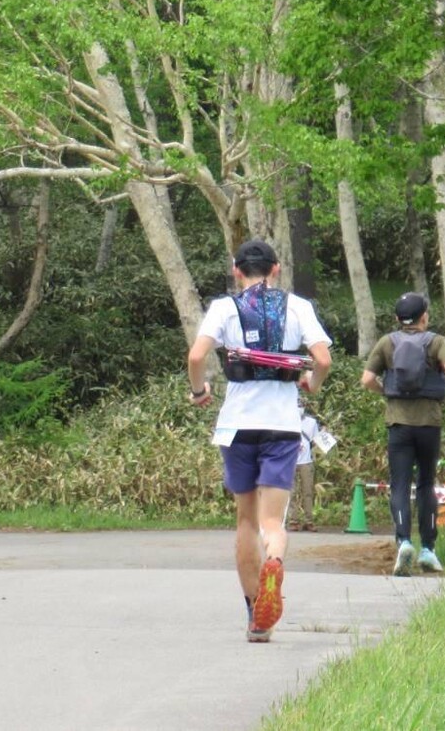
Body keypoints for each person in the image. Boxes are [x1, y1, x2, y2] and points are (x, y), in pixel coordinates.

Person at [186, 239, 333, 642]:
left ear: (237, 270)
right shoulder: (298, 306)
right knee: (273, 522)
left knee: (246, 521)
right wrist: (312, 384)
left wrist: (199, 391)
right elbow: (322, 360)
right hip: (282, 425)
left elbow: (197, 356)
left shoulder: (223, 308)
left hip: (237, 425)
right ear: (276, 269)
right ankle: (276, 559)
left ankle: (256, 617)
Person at [360, 292, 445, 575]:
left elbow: (367, 379)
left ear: (397, 319)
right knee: (425, 484)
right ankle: (428, 550)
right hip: (429, 425)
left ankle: (404, 542)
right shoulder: (437, 342)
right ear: (425, 317)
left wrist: (387, 392)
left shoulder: (387, 342)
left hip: (398, 425)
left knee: (399, 485)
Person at [289, 402, 320, 532]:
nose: (299, 407)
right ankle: (293, 520)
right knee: (291, 492)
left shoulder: (311, 422)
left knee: (308, 491)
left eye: (301, 405)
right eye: (296, 404)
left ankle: (309, 520)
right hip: (290, 461)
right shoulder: (286, 421)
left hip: (306, 461)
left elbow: (316, 440)